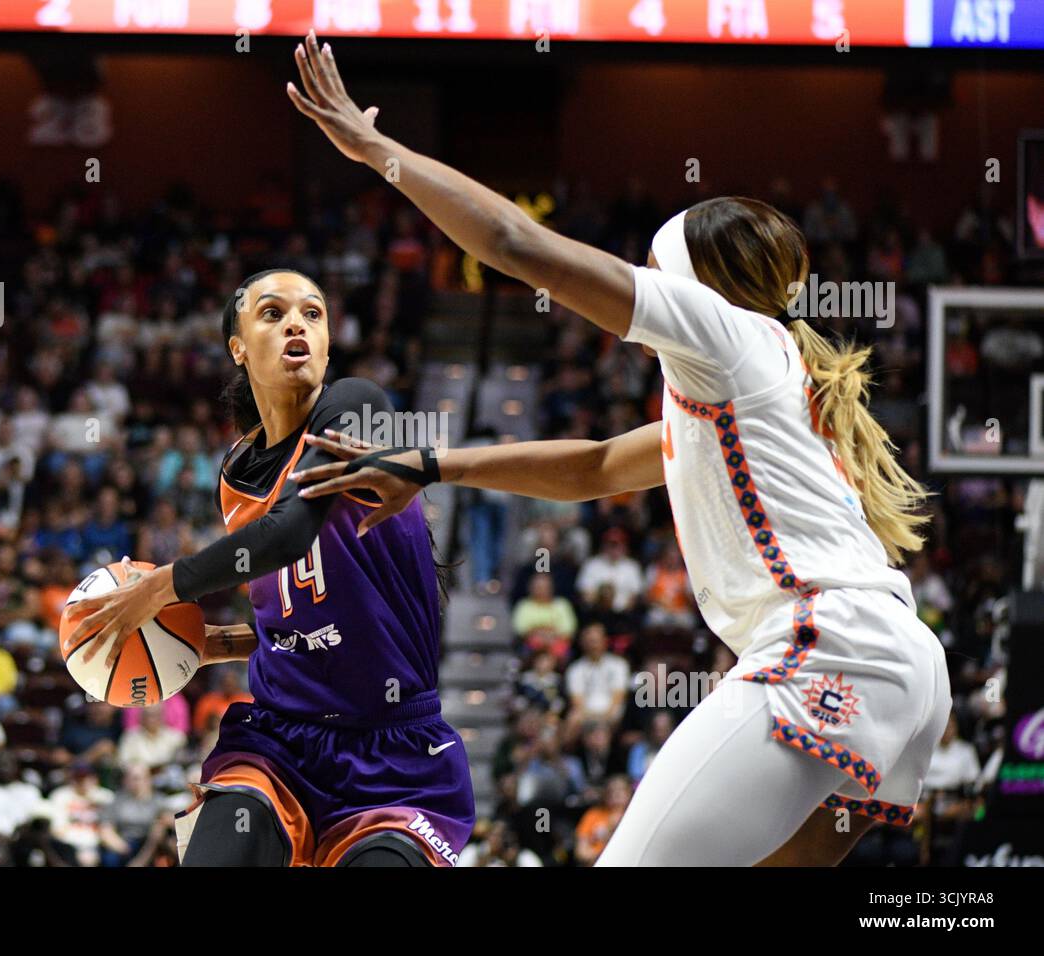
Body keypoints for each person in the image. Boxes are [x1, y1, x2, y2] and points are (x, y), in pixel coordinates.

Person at [287, 32, 950, 866]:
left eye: (652, 270)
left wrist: (377, 151)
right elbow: (598, 465)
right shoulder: (758, 386)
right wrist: (432, 466)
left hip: (826, 646)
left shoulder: (727, 335)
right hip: (904, 663)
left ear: (691, 283)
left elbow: (517, 245)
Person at [66, 268, 474, 867]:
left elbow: (288, 534)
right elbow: (303, 620)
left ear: (328, 344)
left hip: (396, 755)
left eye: (313, 313)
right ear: (238, 347)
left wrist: (158, 588)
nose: (296, 325)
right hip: (280, 742)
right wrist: (214, 642)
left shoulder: (358, 407)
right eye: (273, 313)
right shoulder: (236, 473)